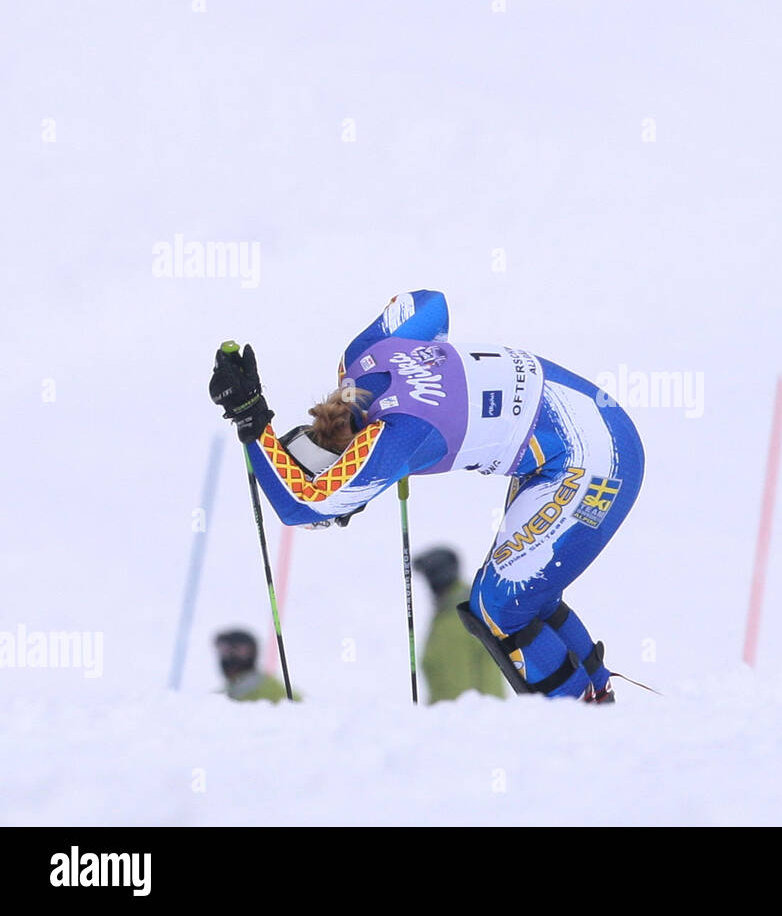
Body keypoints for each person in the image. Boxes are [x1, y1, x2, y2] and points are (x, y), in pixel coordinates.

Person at [208, 290, 643, 703]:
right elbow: (430, 303)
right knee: (526, 595)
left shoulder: (398, 436)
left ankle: (578, 721)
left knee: (499, 608)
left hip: (592, 453)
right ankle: (599, 703)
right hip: (581, 424)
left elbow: (302, 504)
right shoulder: (360, 360)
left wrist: (252, 422)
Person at [414, 546, 507, 702]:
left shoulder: (454, 620)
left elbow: (456, 685)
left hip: (466, 719)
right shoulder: (460, 609)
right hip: (472, 716)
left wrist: (446, 721)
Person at [214, 629, 296, 702]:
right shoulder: (222, 696)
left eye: (237, 650)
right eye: (224, 651)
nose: (230, 657)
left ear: (252, 653)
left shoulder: (273, 690)